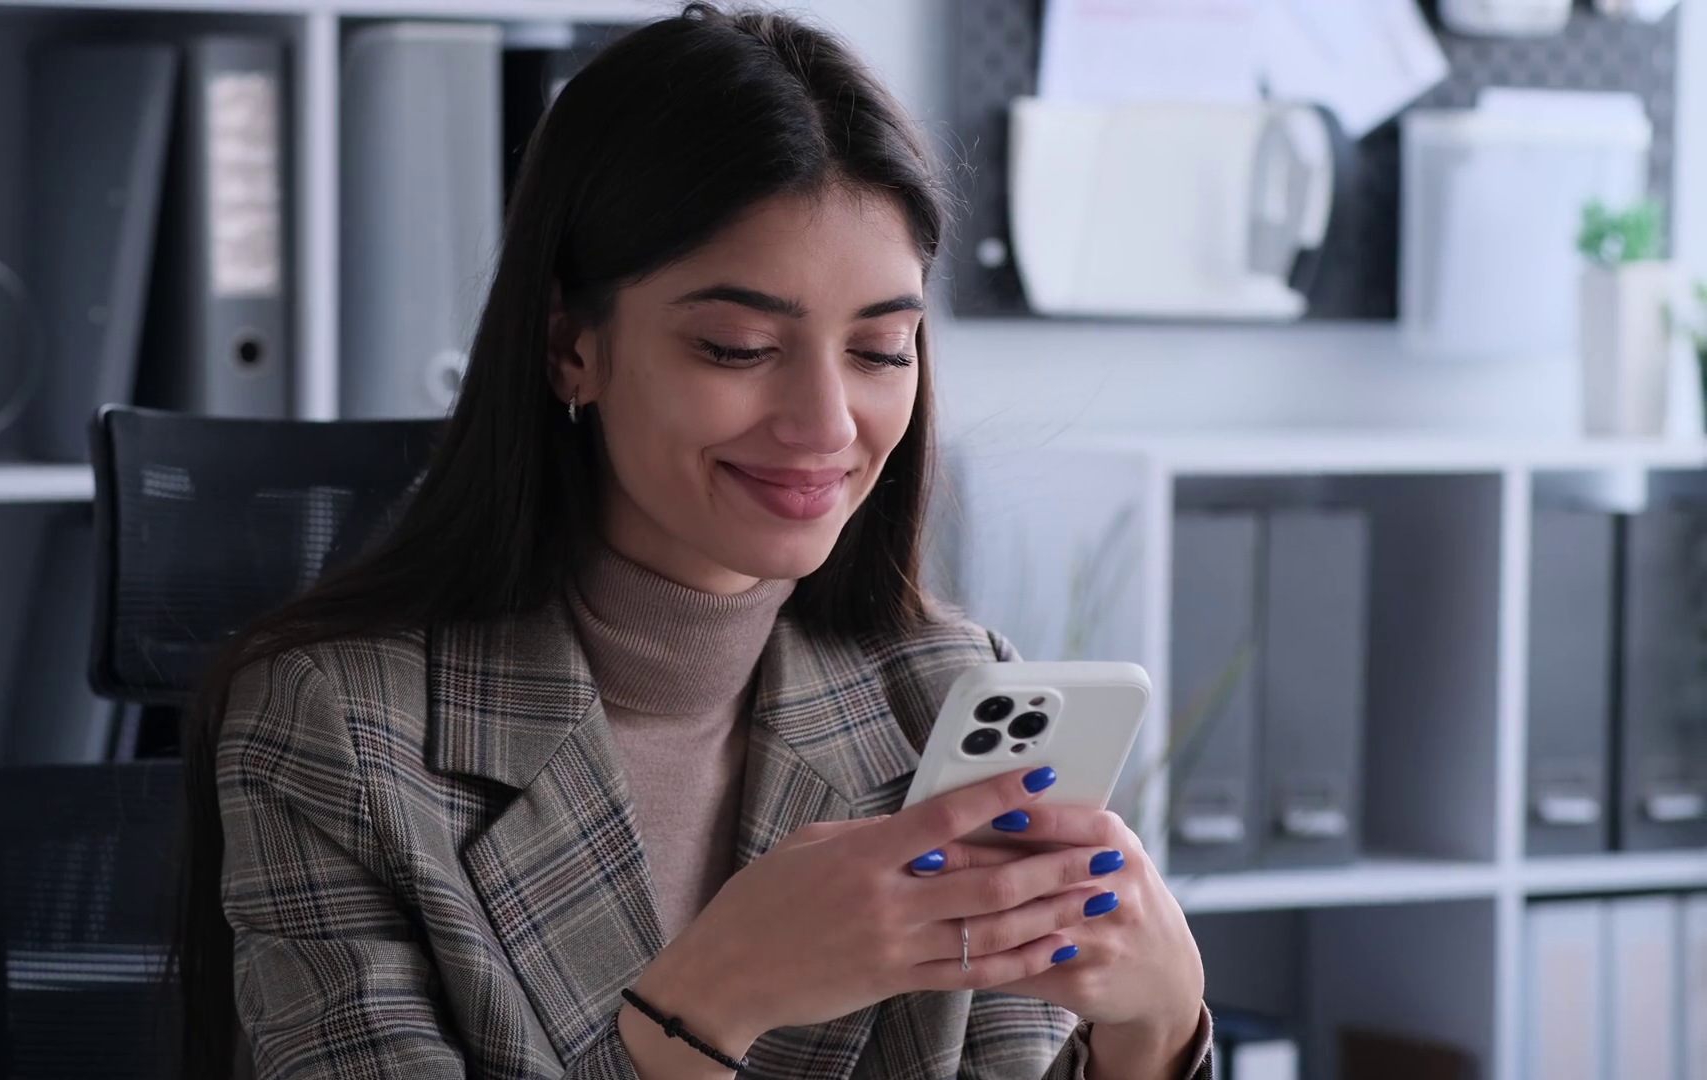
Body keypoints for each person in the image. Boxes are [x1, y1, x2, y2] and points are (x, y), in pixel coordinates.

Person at [173, 5, 1213, 1078]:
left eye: (880, 348)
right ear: (573, 350)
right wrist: (708, 1007)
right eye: (738, 346)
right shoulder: (339, 733)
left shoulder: (945, 697)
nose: (825, 424)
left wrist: (1156, 1031)